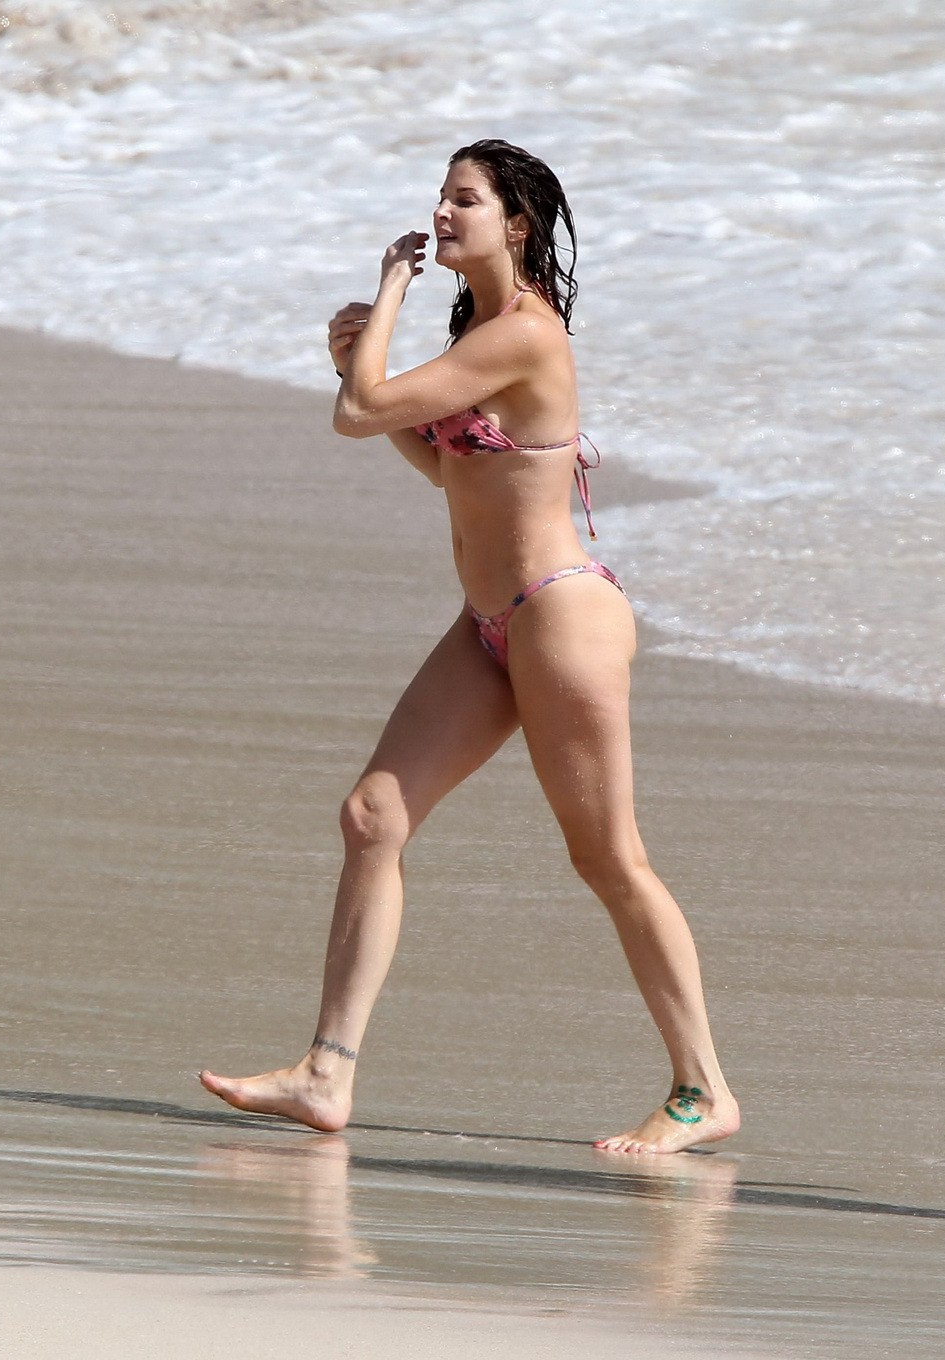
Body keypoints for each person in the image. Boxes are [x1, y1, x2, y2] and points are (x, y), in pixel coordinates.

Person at [200, 140, 738, 1155]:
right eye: (441, 198)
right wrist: (355, 354)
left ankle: (703, 1087)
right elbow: (449, 469)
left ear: (517, 226)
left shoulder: (526, 336)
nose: (443, 214)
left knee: (608, 857)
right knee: (371, 816)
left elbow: (361, 411)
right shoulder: (482, 330)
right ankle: (327, 1072)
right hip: (488, 624)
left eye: (466, 200)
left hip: (559, 616)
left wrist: (386, 297)